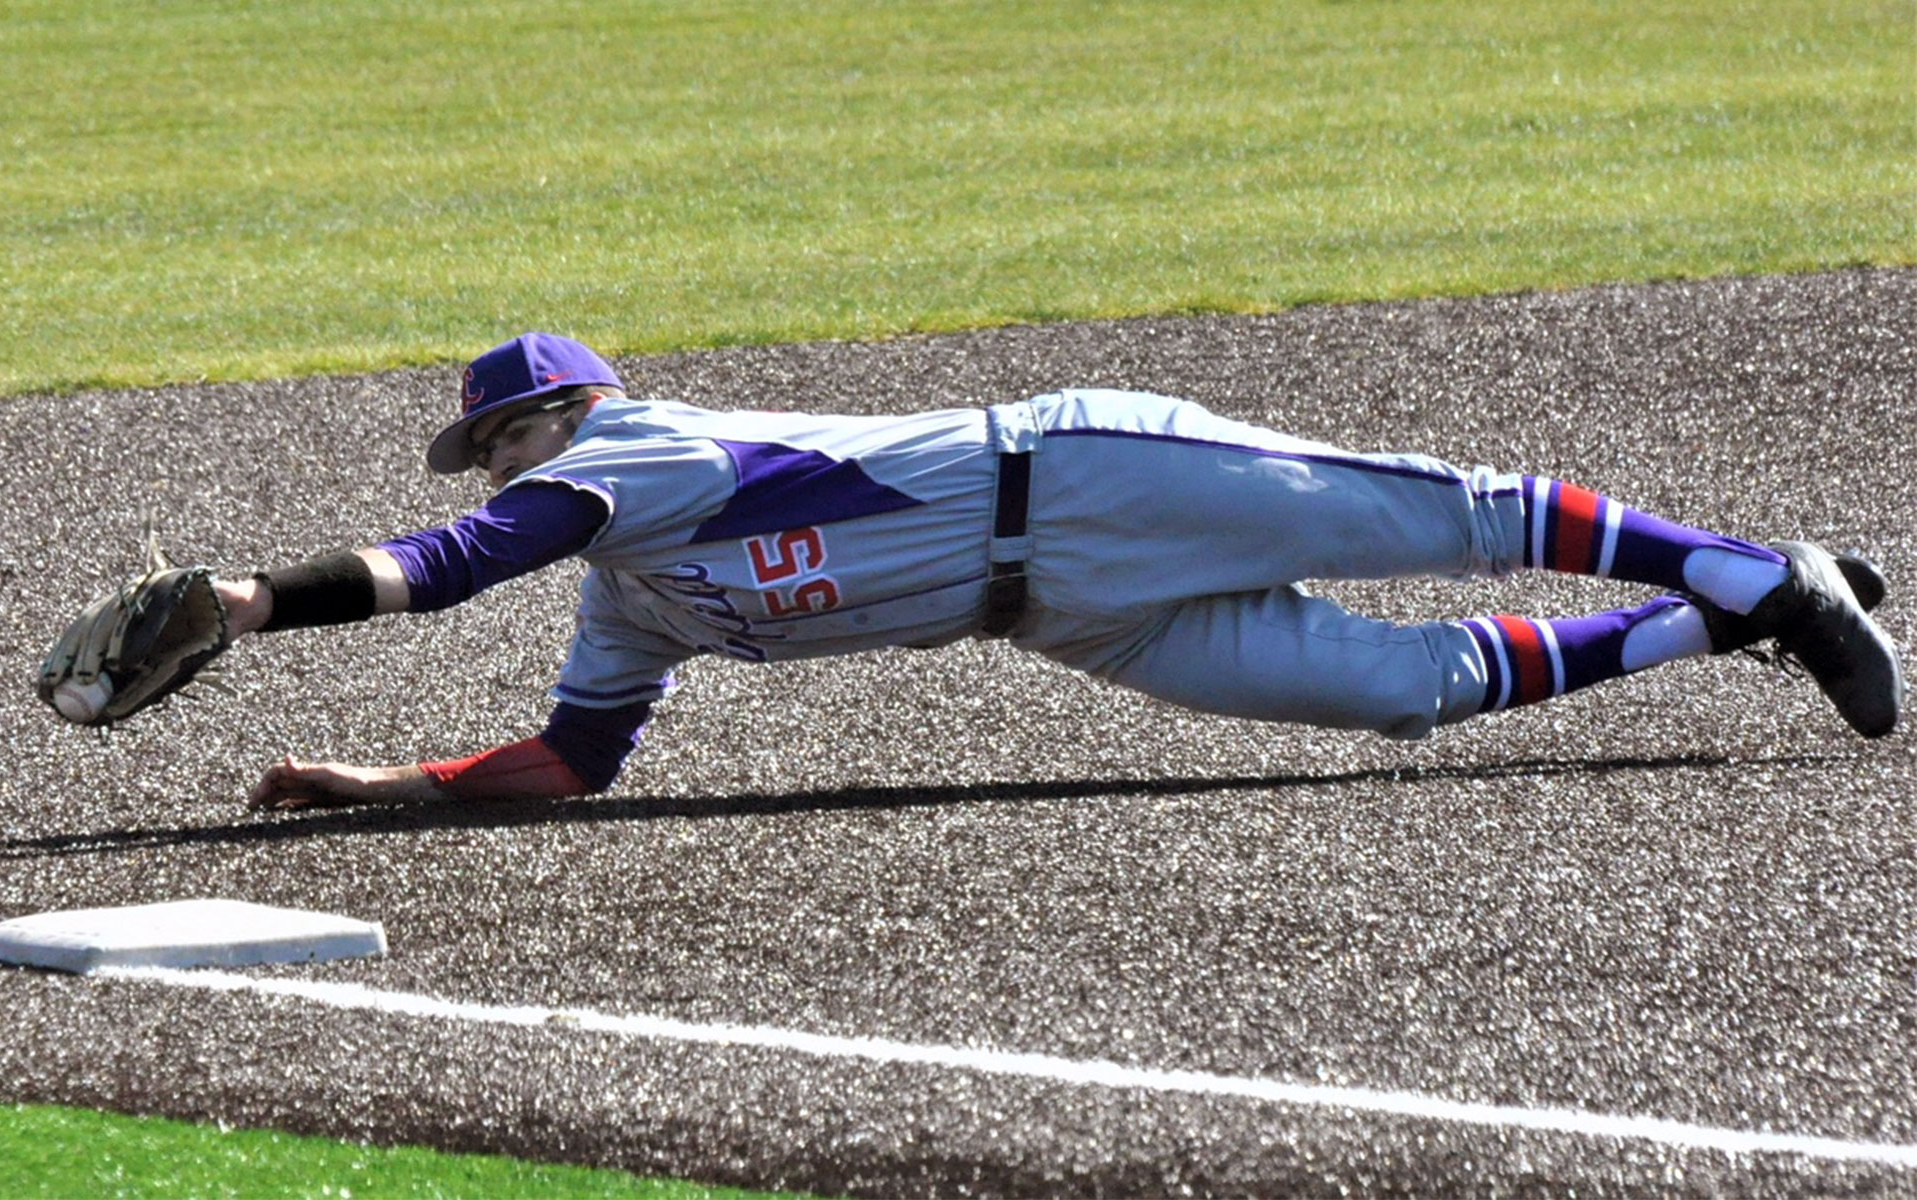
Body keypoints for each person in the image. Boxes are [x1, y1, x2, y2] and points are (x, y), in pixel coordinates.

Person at [233, 332, 1903, 811]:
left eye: (503, 439)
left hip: (1090, 471)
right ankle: (1729, 615)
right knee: (1412, 690)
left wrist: (255, 604)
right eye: (492, 452)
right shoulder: (631, 592)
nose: (500, 468)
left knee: (1452, 517)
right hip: (1064, 613)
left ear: (565, 417)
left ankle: (1749, 572)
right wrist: (389, 782)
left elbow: (460, 561)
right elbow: (575, 758)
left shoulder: (647, 448)